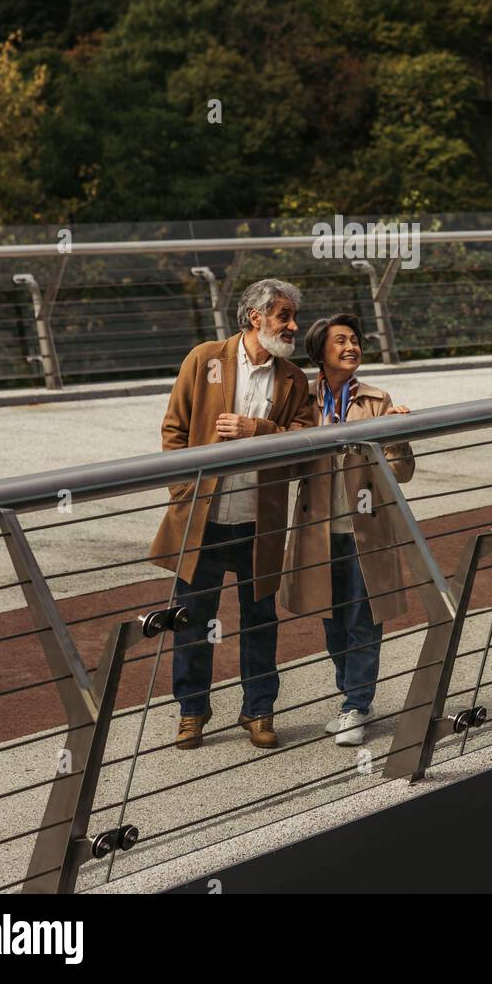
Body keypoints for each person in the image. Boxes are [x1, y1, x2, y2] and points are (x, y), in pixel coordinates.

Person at [149, 278, 313, 751]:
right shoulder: (205, 360)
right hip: (204, 521)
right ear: (255, 317)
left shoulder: (293, 379)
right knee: (190, 619)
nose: (292, 325)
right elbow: (174, 428)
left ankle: (259, 709)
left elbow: (304, 448)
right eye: (283, 315)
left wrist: (256, 429)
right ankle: (191, 711)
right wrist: (184, 492)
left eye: (292, 316)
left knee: (260, 619)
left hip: (259, 523)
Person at [280, 313, 415, 747]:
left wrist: (398, 435)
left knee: (363, 618)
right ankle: (353, 696)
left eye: (355, 340)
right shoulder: (304, 397)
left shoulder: (377, 399)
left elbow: (402, 473)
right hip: (318, 529)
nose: (351, 346)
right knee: (332, 619)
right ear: (320, 352)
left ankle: (355, 704)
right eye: (340, 341)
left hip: (365, 528)